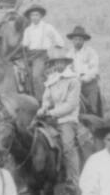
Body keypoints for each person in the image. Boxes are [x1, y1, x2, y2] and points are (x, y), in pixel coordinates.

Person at [36, 44, 85, 186]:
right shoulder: (52, 79)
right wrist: (43, 108)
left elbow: (70, 105)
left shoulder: (74, 80)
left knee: (68, 146)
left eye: (61, 62)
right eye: (56, 62)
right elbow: (47, 98)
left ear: (65, 63)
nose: (58, 65)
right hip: (51, 117)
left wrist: (51, 113)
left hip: (67, 118)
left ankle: (74, 179)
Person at [19, 3, 58, 99]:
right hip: (29, 55)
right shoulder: (28, 30)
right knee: (21, 74)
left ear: (41, 16)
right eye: (32, 15)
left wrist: (53, 52)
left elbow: (58, 41)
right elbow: (25, 44)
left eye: (36, 15)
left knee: (36, 76)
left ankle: (42, 100)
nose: (34, 17)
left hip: (41, 56)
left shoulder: (47, 27)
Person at [66, 26, 101, 118]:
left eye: (80, 39)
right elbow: (67, 70)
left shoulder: (91, 52)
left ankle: (94, 119)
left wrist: (83, 79)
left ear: (84, 40)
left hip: (89, 85)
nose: (77, 41)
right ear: (72, 40)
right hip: (75, 84)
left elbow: (94, 70)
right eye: (75, 39)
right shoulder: (69, 54)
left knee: (92, 107)